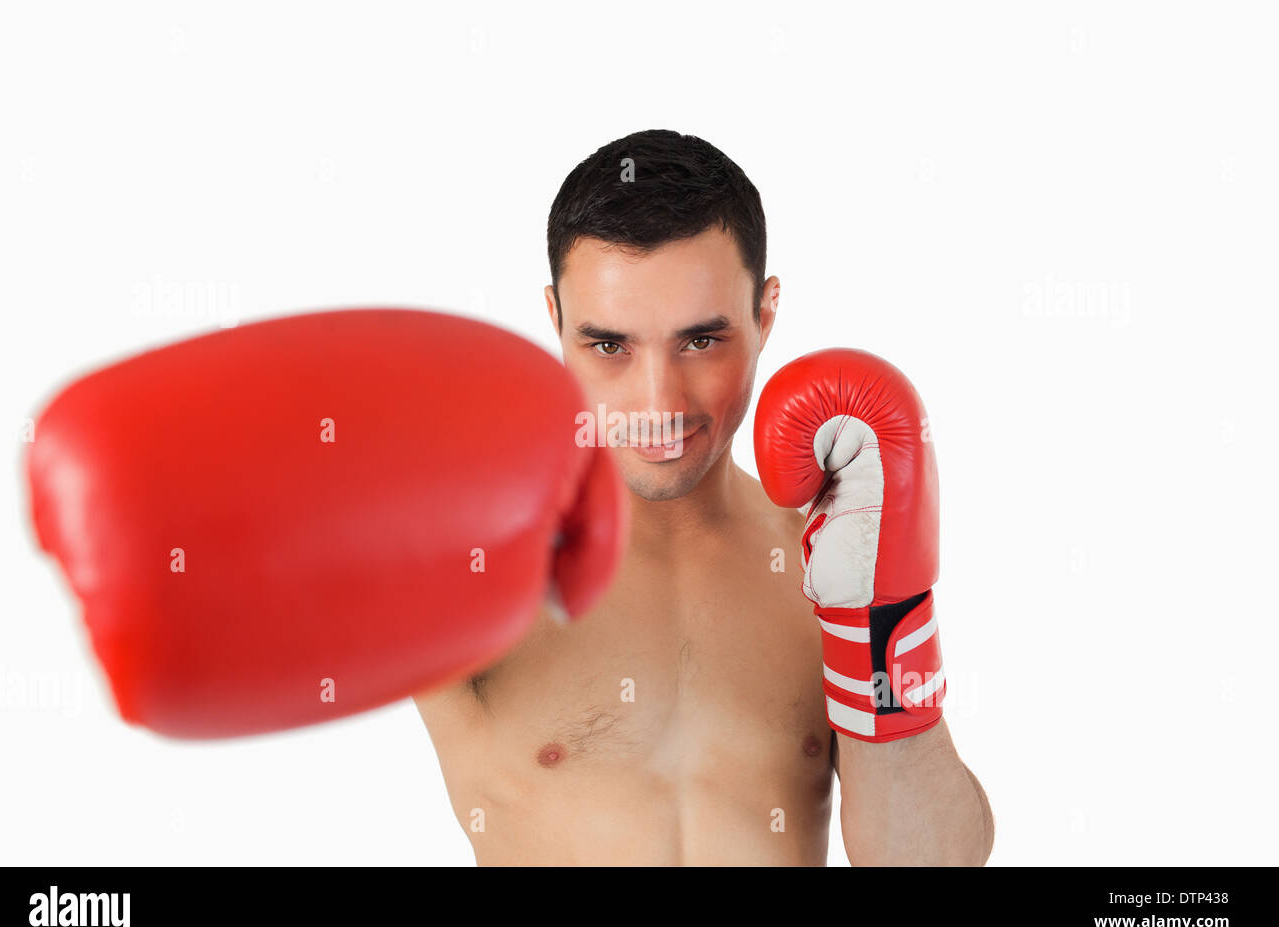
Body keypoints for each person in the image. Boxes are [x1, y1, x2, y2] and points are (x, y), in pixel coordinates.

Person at [413, 130, 994, 865]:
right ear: (556, 320)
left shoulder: (827, 563)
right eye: (611, 345)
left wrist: (882, 619)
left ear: (766, 314)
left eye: (700, 342)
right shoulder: (471, 567)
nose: (658, 400)